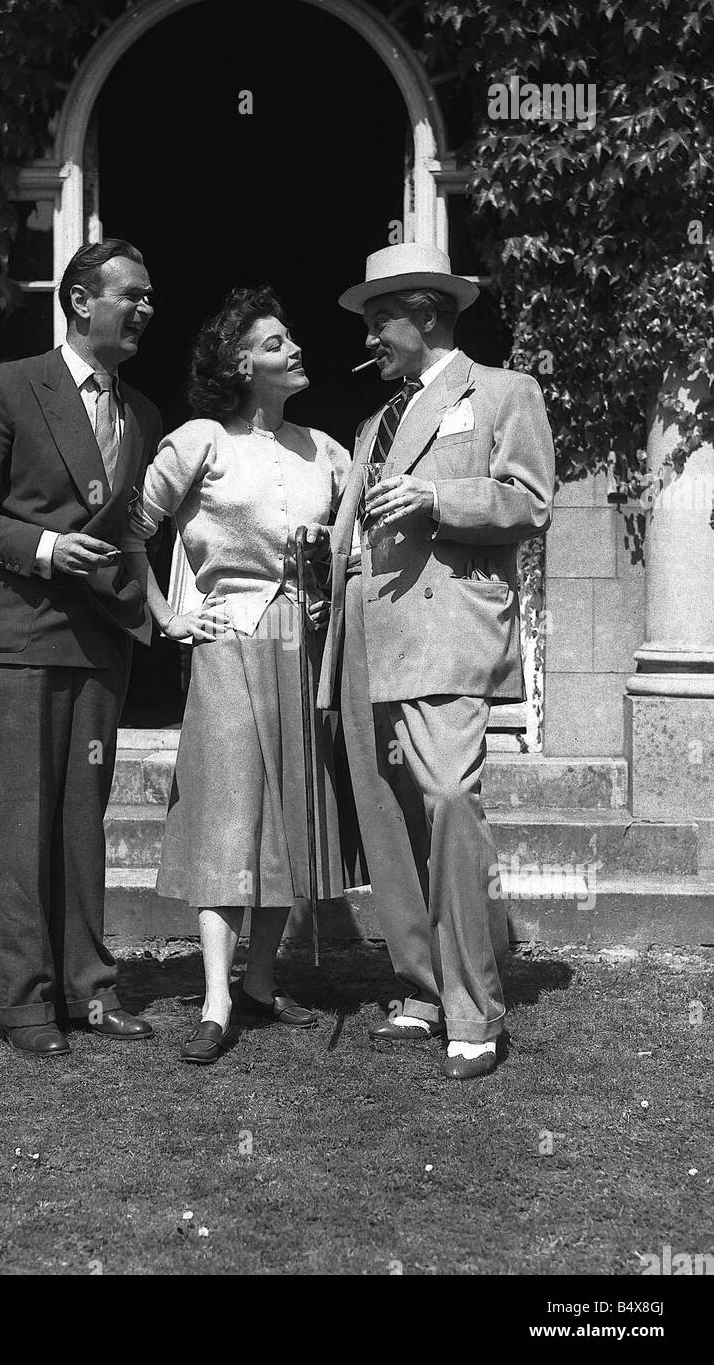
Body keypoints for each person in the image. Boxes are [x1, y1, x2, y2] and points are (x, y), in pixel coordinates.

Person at [318, 243, 555, 1080]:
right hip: (363, 635)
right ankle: (420, 990)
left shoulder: (501, 392)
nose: (371, 335)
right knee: (388, 823)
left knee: (451, 802)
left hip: (444, 631)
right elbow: (351, 530)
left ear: (426, 315)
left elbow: (530, 500)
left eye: (381, 318)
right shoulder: (370, 424)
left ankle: (475, 1011)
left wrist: (436, 497)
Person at [0, 239, 161, 1058]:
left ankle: (87, 994)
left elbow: (136, 537)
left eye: (147, 298)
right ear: (77, 301)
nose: (143, 309)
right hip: (19, 638)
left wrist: (157, 611)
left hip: (99, 644)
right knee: (20, 826)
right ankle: (25, 1008)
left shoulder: (142, 415)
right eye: (129, 294)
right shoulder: (4, 387)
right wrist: (48, 550)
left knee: (81, 829)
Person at [121, 286, 351, 1064]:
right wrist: (166, 615)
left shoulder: (328, 450)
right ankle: (216, 997)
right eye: (276, 342)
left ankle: (260, 981)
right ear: (239, 362)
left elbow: (349, 551)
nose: (294, 350)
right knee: (226, 813)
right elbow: (129, 527)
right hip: (226, 646)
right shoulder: (198, 443)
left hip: (304, 652)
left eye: (291, 339)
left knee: (290, 813)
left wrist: (328, 603)